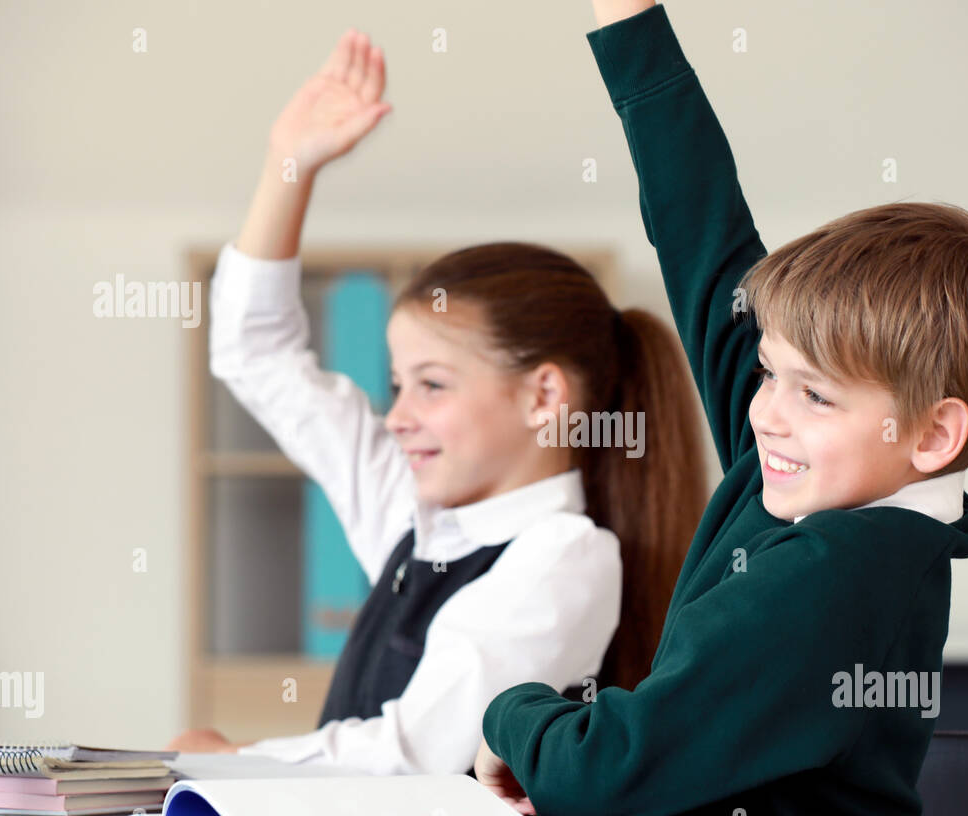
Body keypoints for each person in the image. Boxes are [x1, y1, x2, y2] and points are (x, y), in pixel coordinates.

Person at [475, 1, 968, 816]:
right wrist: (630, 23)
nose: (765, 413)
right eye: (769, 373)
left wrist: (512, 714)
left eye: (812, 393)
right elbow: (702, 228)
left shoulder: (835, 571)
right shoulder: (814, 469)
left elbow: (604, 770)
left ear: (931, 435)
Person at [167, 29, 708, 774]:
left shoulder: (565, 559)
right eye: (396, 385)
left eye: (432, 384)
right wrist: (287, 165)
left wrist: (232, 760)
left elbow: (419, 752)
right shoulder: (413, 517)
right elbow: (253, 352)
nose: (397, 416)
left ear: (543, 395)